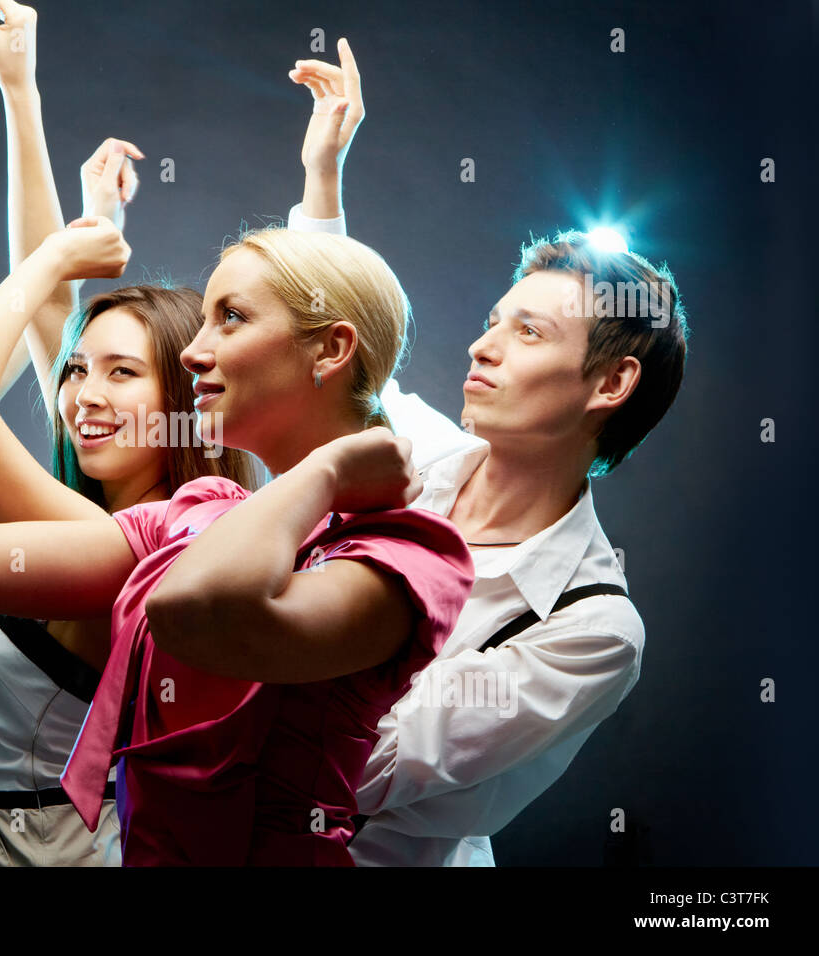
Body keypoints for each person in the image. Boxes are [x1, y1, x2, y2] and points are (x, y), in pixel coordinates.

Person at [0, 160, 475, 865]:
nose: (194, 350)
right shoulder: (200, 511)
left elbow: (200, 610)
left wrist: (327, 469)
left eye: (232, 318)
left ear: (331, 350)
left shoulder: (405, 554)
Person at [285, 48, 690, 866]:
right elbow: (342, 354)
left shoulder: (594, 627)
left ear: (612, 381)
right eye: (495, 319)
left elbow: (362, 767)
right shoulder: (421, 460)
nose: (481, 346)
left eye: (528, 331)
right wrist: (323, 172)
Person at [0, 0, 255, 865]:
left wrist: (70, 255)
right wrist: (20, 88)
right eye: (79, 373)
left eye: (122, 374)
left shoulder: (122, 548)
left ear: (184, 403)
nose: (80, 395)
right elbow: (49, 313)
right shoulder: (94, 486)